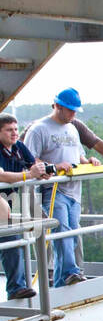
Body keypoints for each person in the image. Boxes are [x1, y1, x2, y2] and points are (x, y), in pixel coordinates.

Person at [24, 89, 101, 288]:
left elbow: (78, 156)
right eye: (70, 111)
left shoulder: (72, 129)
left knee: (73, 233)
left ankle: (60, 283)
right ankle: (71, 272)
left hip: (74, 191)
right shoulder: (39, 129)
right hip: (53, 190)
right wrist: (54, 166)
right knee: (62, 233)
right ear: (57, 106)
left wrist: (89, 161)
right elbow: (28, 160)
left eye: (76, 111)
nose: (74, 115)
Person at [0, 113, 46, 299]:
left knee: (13, 239)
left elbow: (34, 164)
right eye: (9, 130)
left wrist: (43, 171)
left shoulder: (18, 147)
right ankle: (16, 286)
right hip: (3, 203)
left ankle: (16, 287)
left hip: (8, 203)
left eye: (16, 129)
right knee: (11, 236)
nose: (14, 133)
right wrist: (29, 175)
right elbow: (1, 176)